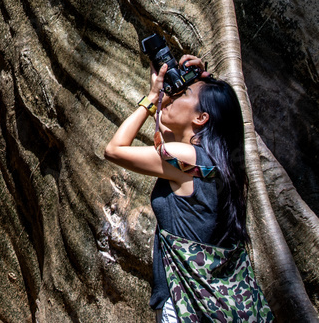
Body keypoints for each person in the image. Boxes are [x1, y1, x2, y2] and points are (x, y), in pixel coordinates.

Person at [104, 54, 273, 322]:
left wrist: (151, 98)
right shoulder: (215, 164)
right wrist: (187, 85)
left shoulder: (186, 158)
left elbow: (114, 149)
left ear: (202, 117)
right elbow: (165, 124)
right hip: (212, 307)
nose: (176, 95)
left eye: (184, 94)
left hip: (184, 305)